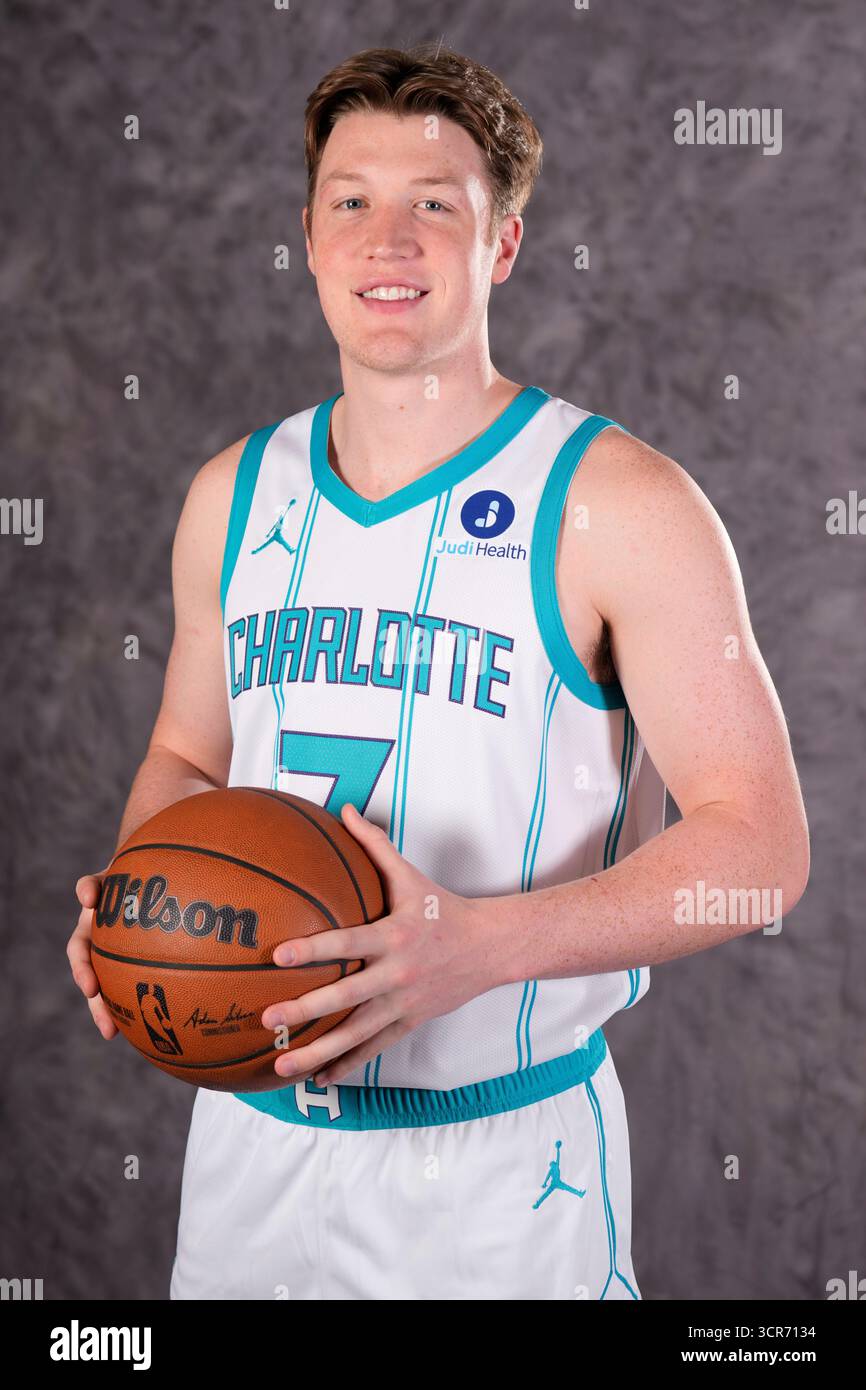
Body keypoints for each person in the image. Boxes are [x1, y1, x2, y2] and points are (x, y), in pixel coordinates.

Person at [67, 42, 809, 1300]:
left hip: (500, 1173)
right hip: (249, 1152)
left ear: (503, 244)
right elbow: (185, 760)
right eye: (351, 200)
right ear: (307, 236)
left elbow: (758, 852)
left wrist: (475, 946)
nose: (387, 239)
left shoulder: (619, 504)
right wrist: (146, 905)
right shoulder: (229, 498)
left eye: (436, 205)